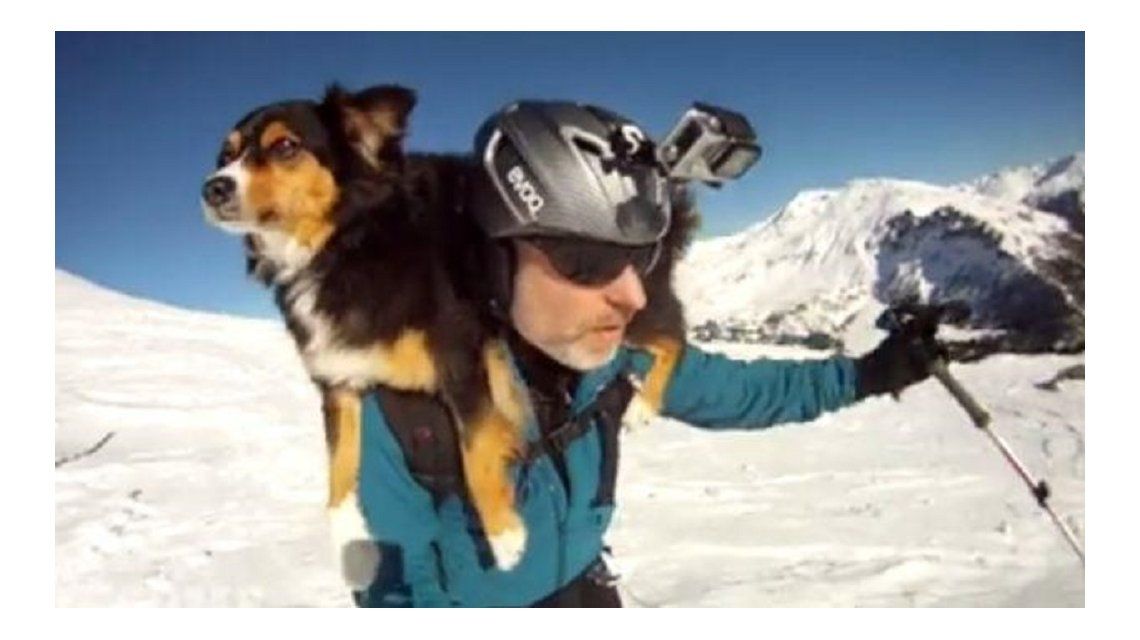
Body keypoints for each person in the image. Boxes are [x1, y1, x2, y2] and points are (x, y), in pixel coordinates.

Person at [349, 101, 943, 607]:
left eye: (642, 257)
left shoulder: (616, 359)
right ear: (493, 259)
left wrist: (867, 373)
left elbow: (741, 394)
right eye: (588, 261)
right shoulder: (402, 401)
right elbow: (391, 586)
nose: (632, 295)